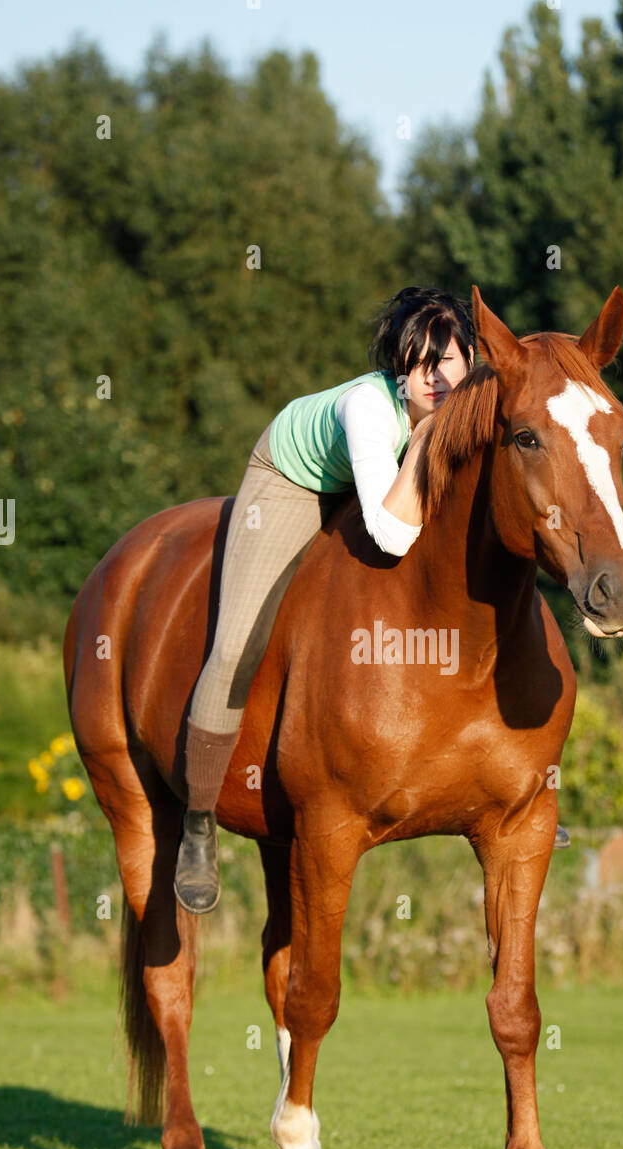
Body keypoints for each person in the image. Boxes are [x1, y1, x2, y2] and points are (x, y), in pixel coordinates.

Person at [174, 287, 476, 913]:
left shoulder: (476, 394)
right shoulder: (369, 408)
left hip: (370, 482)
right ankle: (197, 824)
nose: (435, 378)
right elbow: (391, 533)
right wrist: (421, 444)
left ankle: (519, 785)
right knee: (238, 643)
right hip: (292, 479)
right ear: (398, 371)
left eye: (447, 360)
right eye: (418, 363)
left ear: (470, 360)